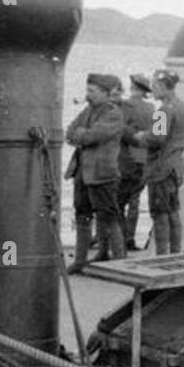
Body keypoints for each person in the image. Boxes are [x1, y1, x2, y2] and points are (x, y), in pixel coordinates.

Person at [64, 73, 126, 271]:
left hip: (103, 173)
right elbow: (70, 132)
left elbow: (91, 136)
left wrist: (81, 135)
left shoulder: (113, 113)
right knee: (82, 214)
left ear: (106, 93)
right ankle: (82, 260)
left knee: (109, 216)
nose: (88, 95)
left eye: (92, 91)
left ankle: (121, 263)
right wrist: (81, 135)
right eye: (88, 90)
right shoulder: (89, 110)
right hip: (83, 171)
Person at [146, 69, 184, 255]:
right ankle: (176, 253)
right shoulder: (183, 107)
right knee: (173, 212)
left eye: (154, 85)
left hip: (161, 168)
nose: (152, 90)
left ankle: (161, 256)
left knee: (160, 214)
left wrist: (139, 135)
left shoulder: (163, 110)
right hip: (175, 166)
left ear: (163, 86)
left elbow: (157, 138)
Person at [118, 73, 154, 250]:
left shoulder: (126, 106)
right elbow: (158, 135)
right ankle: (130, 237)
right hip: (146, 158)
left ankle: (119, 238)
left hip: (128, 158)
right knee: (135, 201)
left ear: (134, 88)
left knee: (118, 201)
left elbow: (119, 128)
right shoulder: (153, 109)